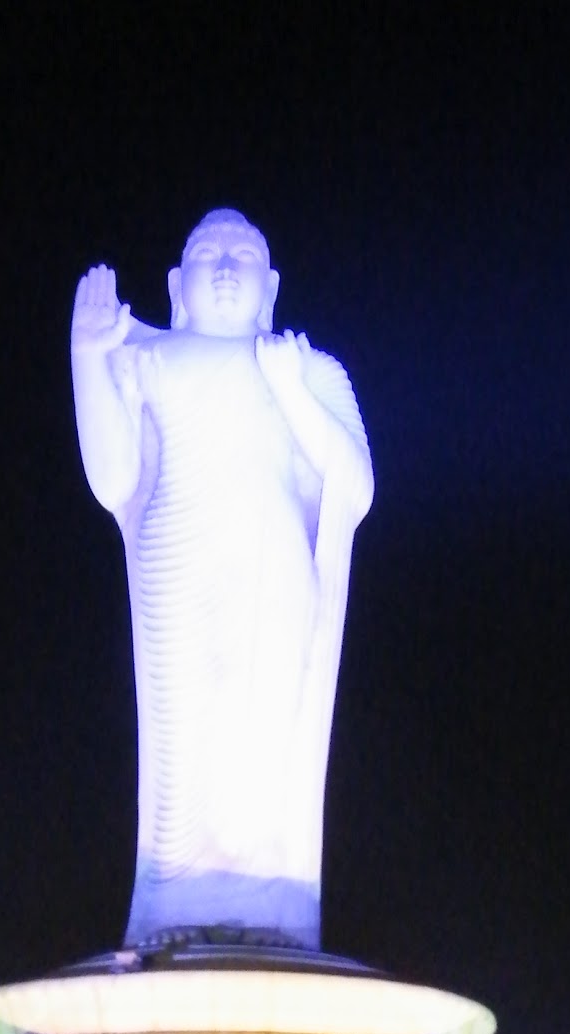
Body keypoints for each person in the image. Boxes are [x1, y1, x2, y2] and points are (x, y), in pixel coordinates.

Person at [71, 209, 374, 951]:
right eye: (210, 255)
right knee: (185, 760)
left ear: (271, 286)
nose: (228, 268)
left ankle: (272, 915)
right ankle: (171, 915)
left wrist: (291, 390)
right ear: (179, 285)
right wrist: (88, 358)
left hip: (274, 582)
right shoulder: (148, 357)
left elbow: (355, 486)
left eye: (244, 256)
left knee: (263, 747)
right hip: (178, 565)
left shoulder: (309, 368)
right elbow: (114, 481)